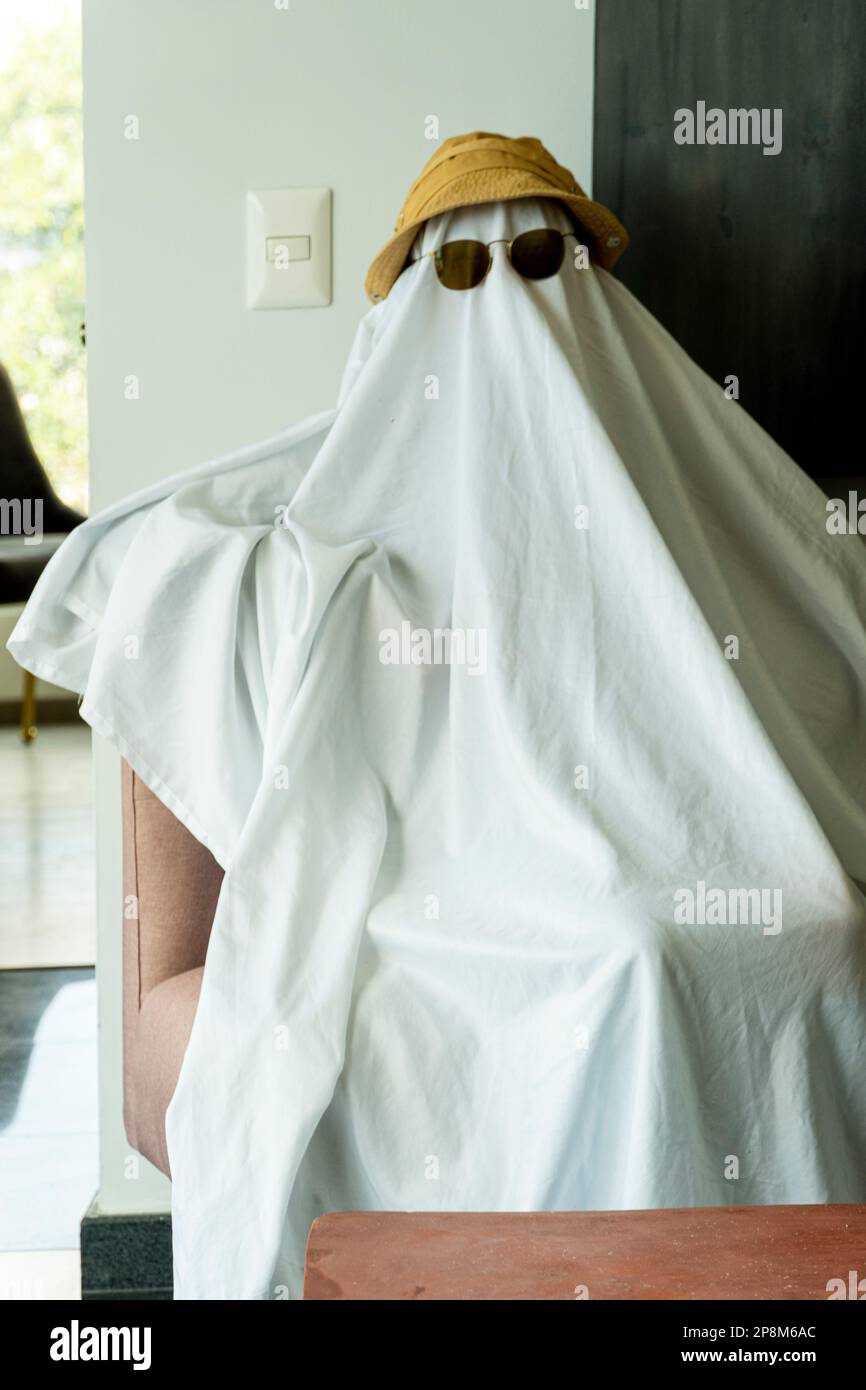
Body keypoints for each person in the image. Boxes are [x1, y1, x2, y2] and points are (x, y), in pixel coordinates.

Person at [9, 132, 866, 1300]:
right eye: (459, 277)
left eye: (534, 263)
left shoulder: (700, 524)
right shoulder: (319, 549)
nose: (504, 308)